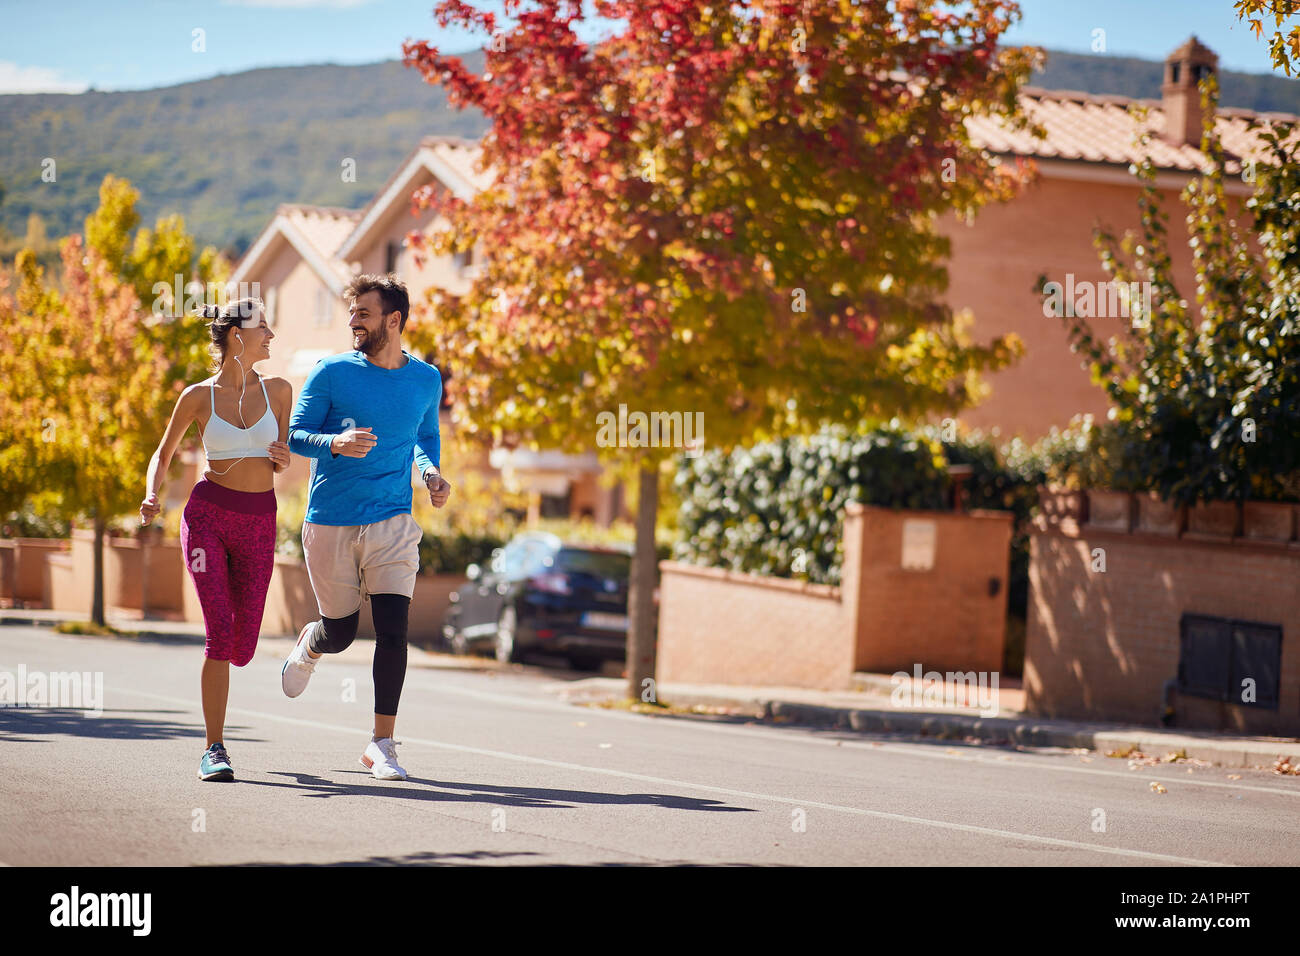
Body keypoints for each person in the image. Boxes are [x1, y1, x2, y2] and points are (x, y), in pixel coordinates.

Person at [281, 273, 451, 781]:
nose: (353, 321)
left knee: (393, 630)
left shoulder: (425, 379)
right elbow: (294, 436)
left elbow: (424, 435)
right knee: (343, 633)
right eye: (352, 313)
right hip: (331, 518)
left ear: (393, 320)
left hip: (394, 519)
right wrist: (334, 442)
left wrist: (430, 473)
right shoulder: (331, 372)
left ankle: (381, 743)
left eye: (363, 313)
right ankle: (315, 641)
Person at [140, 298, 292, 782]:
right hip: (207, 517)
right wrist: (151, 495)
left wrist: (284, 460)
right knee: (219, 635)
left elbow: (281, 458)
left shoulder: (281, 391)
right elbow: (163, 455)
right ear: (236, 337)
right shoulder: (197, 397)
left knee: (244, 644)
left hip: (259, 520)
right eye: (262, 327)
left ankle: (220, 725)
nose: (270, 335)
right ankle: (214, 748)